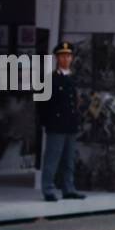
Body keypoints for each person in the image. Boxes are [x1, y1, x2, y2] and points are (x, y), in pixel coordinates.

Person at [38, 41, 85, 201]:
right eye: (62, 56)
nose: (66, 59)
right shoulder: (50, 79)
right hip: (56, 125)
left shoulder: (73, 78)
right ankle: (48, 189)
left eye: (68, 56)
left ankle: (68, 188)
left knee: (68, 160)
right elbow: (41, 104)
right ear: (57, 58)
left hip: (70, 124)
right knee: (52, 159)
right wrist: (46, 123)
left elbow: (76, 102)